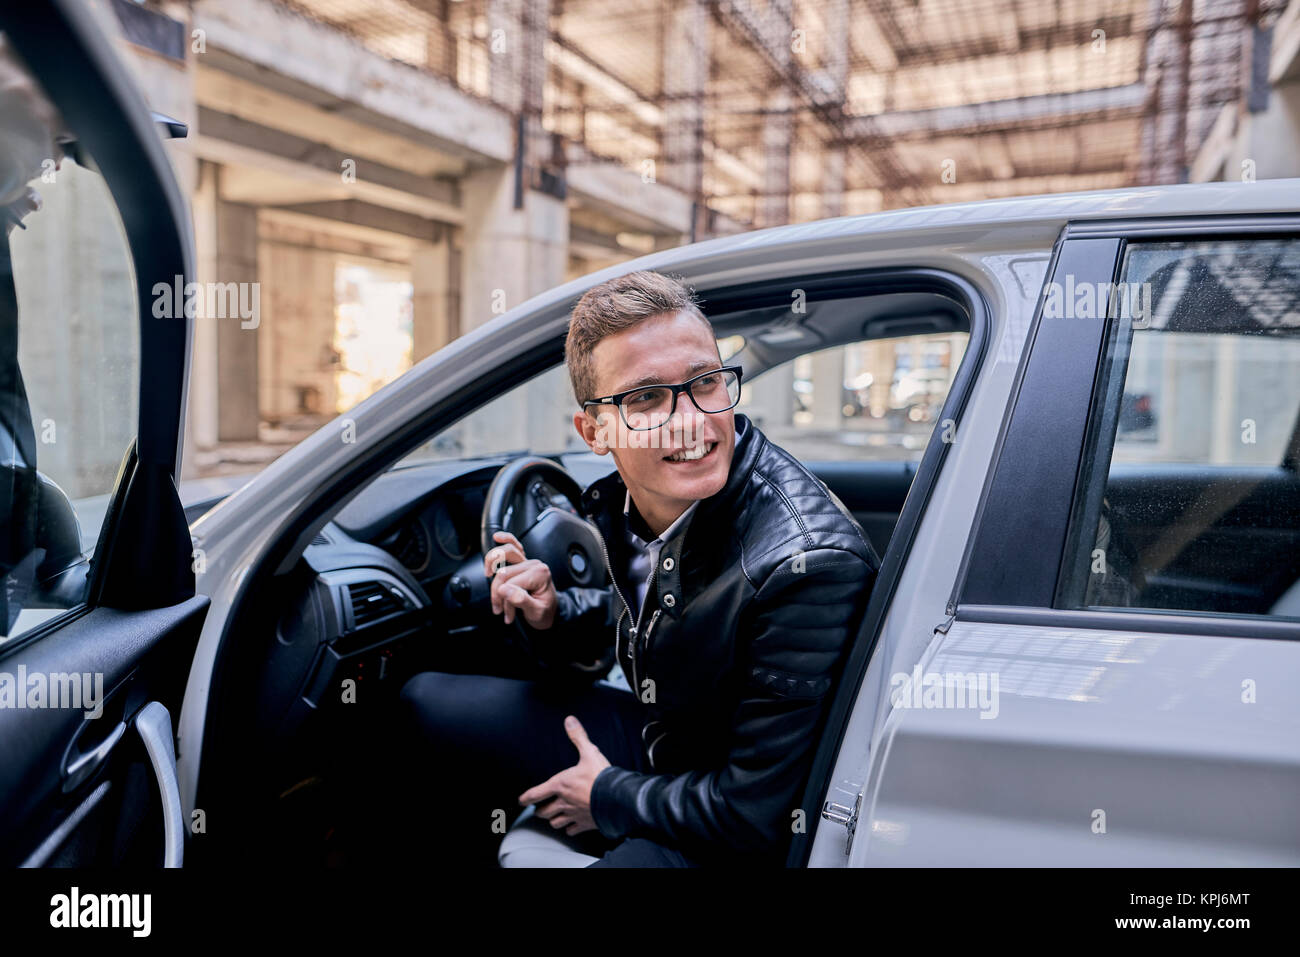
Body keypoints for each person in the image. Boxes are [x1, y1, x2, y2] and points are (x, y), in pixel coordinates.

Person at [398, 270, 879, 867]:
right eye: (645, 397)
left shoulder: (804, 564)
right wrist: (554, 616)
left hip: (729, 831)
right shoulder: (642, 505)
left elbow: (756, 816)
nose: (691, 421)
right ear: (594, 431)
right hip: (669, 742)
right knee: (425, 702)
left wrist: (607, 795)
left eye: (704, 382)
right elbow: (671, 631)